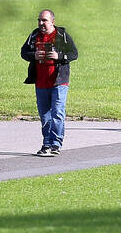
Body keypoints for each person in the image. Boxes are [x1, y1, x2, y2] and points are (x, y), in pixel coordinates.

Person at [20, 9, 78, 156]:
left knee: (57, 112)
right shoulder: (34, 35)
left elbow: (74, 54)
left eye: (44, 20)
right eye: (39, 20)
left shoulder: (61, 36)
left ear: (52, 21)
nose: (41, 23)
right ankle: (46, 143)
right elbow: (23, 52)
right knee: (45, 116)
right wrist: (34, 55)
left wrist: (59, 56)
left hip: (59, 81)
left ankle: (56, 144)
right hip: (40, 82)